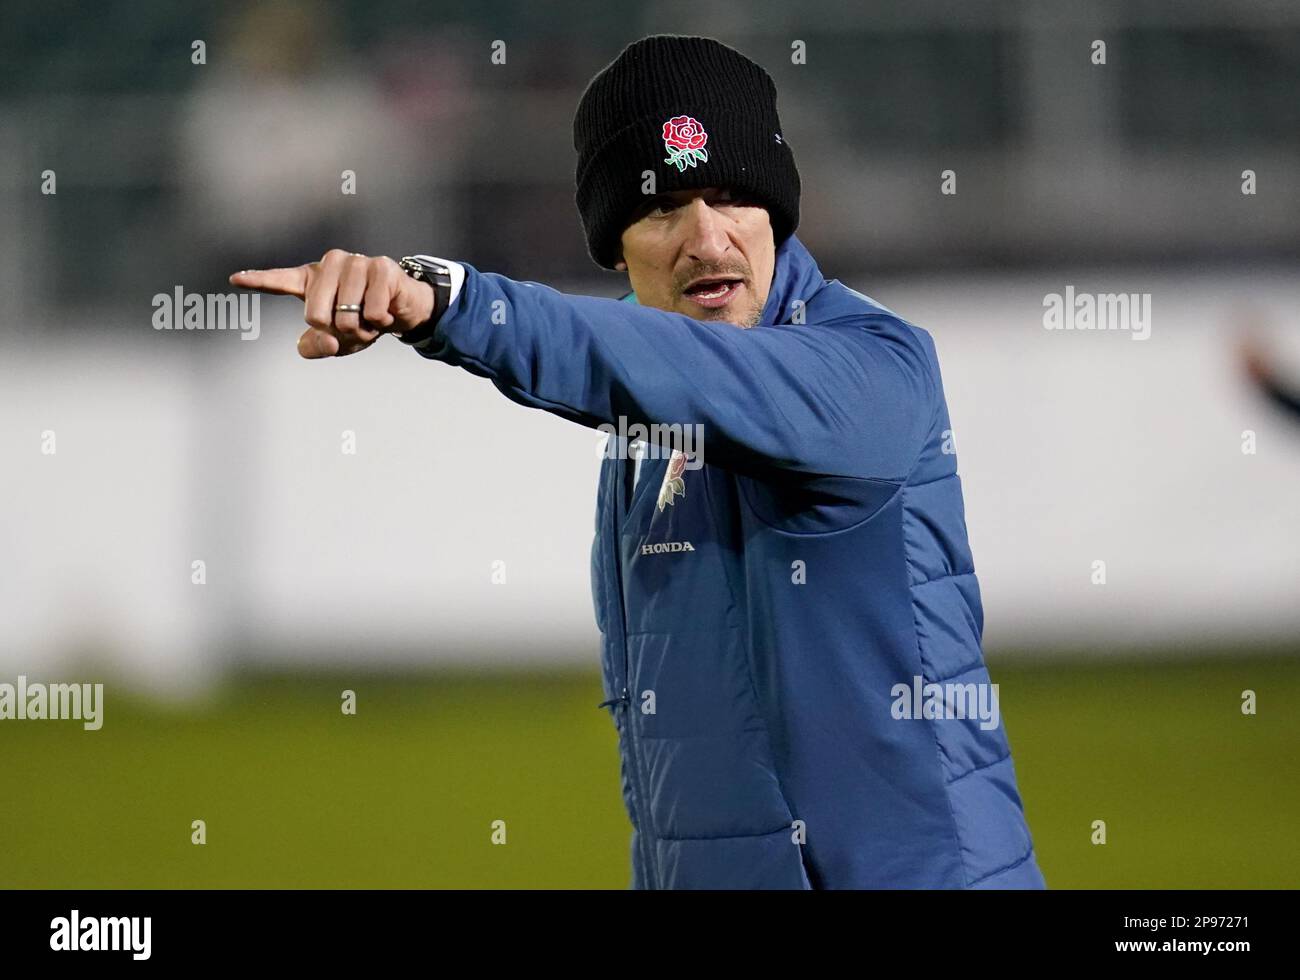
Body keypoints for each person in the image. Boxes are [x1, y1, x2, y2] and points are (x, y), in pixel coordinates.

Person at [231, 34, 1045, 889]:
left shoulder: (878, 372)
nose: (708, 239)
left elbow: (678, 370)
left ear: (778, 211)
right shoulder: (640, 423)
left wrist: (450, 300)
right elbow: (671, 770)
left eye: (733, 195)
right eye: (664, 207)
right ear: (614, 245)